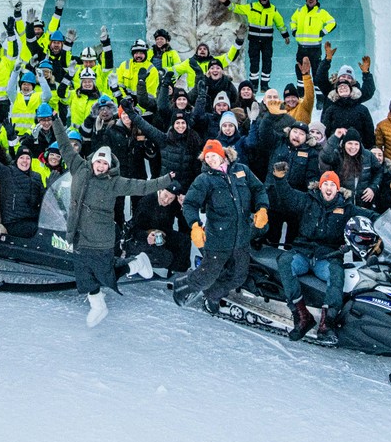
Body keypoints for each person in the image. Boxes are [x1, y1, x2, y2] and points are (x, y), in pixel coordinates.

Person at [63, 118, 174, 326]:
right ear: (93, 161)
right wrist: (55, 121)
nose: (101, 166)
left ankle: (137, 262)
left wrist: (165, 180)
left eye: (105, 163)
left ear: (109, 166)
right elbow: (64, 145)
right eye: (99, 162)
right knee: (83, 273)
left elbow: (141, 186)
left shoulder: (114, 182)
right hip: (80, 234)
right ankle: (98, 306)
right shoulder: (79, 169)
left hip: (101, 238)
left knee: (106, 274)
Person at [173, 141, 269, 312]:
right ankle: (182, 286)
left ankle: (212, 294)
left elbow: (259, 189)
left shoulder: (242, 170)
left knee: (238, 276)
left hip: (241, 237)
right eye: (207, 157)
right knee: (207, 276)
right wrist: (195, 225)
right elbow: (190, 204)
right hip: (218, 239)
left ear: (222, 155)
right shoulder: (204, 179)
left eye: (213, 155)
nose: (210, 160)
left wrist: (262, 208)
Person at [268, 167, 357, 342]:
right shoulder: (308, 200)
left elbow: (369, 216)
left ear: (338, 188)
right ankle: (302, 316)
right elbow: (288, 196)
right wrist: (279, 179)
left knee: (337, 274)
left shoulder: (346, 207)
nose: (329, 188)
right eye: (326, 184)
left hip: (327, 257)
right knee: (285, 262)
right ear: (320, 186)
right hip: (303, 252)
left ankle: (326, 323)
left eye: (332, 185)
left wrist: (380, 227)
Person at [226, 0, 290, 91]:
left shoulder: (273, 9)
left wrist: (285, 35)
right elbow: (237, 8)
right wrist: (226, 2)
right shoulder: (252, 7)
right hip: (254, 41)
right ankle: (254, 85)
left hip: (267, 42)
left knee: (267, 62)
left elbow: (280, 23)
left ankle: (264, 85)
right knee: (254, 62)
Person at [289, 0, 336, 74]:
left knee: (316, 72)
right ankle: (301, 83)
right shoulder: (299, 11)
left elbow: (332, 23)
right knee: (301, 72)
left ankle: (316, 83)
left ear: (316, 0)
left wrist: (323, 32)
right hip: (302, 48)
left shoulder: (321, 12)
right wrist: (294, 30)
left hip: (315, 49)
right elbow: (293, 20)